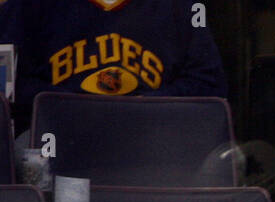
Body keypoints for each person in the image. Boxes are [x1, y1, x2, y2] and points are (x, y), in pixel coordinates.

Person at [0, 0, 227, 136]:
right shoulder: (29, 6)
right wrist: (71, 108)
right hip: (61, 142)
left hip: (156, 146)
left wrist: (143, 108)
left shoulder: (181, 6)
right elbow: (10, 85)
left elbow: (209, 86)